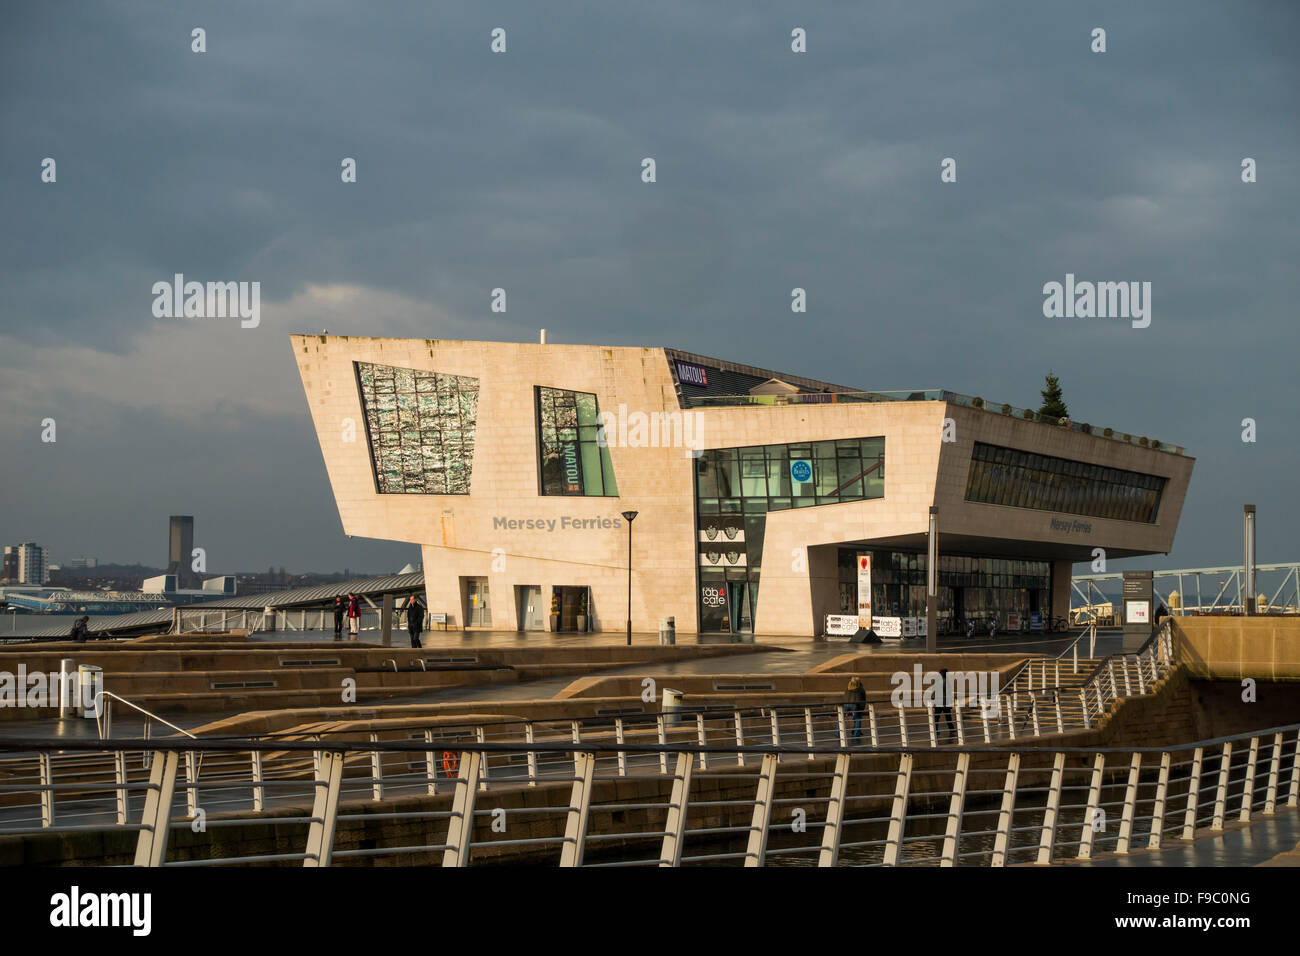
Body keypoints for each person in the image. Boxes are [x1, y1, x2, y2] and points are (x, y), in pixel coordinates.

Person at [935, 667, 956, 740]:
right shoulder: (946, 682)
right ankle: (952, 729)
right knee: (948, 717)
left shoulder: (938, 681)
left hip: (938, 703)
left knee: (936, 718)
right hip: (944, 703)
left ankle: (935, 730)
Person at [845, 676, 866, 741]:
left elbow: (845, 697)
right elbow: (862, 700)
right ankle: (856, 733)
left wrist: (846, 708)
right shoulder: (860, 689)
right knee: (858, 718)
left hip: (846, 704)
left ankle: (838, 733)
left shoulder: (848, 688)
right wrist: (861, 709)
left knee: (841, 718)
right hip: (855, 705)